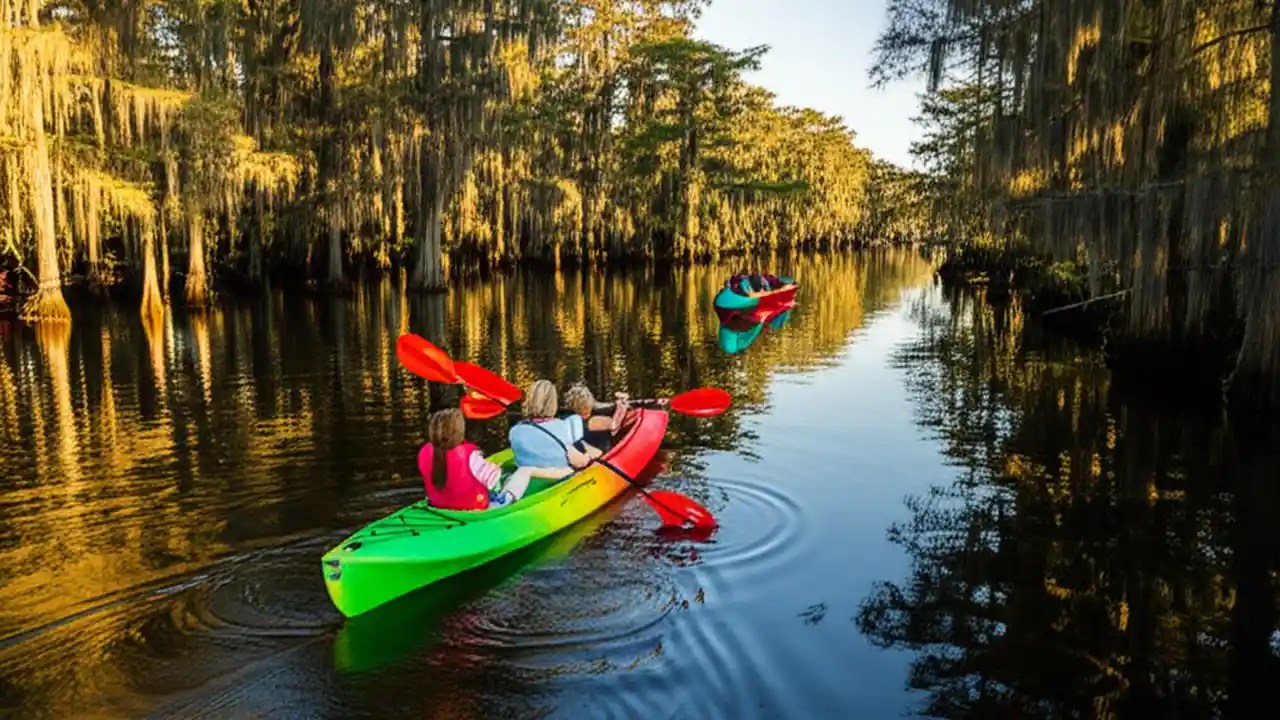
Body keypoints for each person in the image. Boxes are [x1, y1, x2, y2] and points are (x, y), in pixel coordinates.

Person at [419, 408, 532, 510]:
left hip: (438, 505)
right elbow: (492, 482)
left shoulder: (424, 452)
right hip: (473, 508)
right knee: (511, 481)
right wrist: (496, 469)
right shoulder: (470, 456)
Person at [509, 379, 597, 479]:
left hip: (525, 480)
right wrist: (588, 458)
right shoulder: (560, 426)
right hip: (556, 479)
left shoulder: (515, 431)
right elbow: (578, 461)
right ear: (553, 403)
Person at [561, 383, 644, 452]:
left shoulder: (594, 414)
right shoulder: (585, 421)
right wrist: (621, 407)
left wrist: (620, 406)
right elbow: (613, 424)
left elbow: (613, 424)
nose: (584, 413)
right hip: (597, 458)